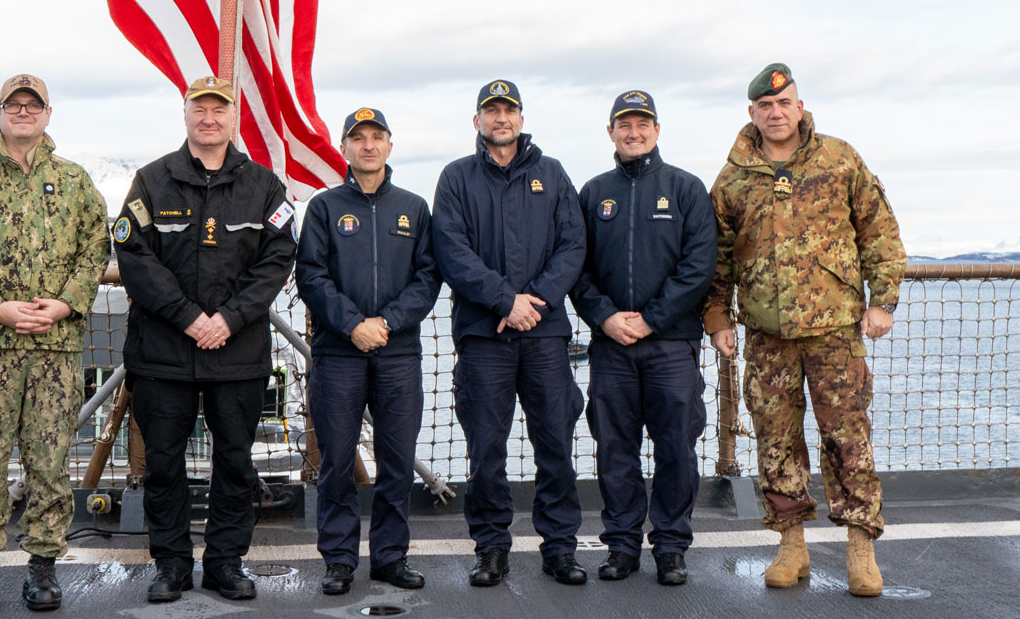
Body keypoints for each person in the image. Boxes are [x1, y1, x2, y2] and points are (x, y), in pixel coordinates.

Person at [703, 63, 907, 598]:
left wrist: (882, 301)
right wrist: (718, 318)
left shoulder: (839, 159)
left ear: (799, 106)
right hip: (767, 335)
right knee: (775, 441)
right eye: (765, 107)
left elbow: (880, 233)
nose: (776, 113)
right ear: (752, 114)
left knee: (848, 438)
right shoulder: (733, 177)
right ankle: (791, 546)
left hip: (835, 330)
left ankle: (860, 547)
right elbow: (716, 259)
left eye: (784, 103)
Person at [114, 76, 299, 604]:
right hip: (163, 354)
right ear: (187, 114)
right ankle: (171, 565)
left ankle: (224, 563)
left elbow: (278, 257)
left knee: (236, 463)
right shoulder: (150, 182)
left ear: (232, 117)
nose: (209, 118)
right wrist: (190, 317)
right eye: (201, 108)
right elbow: (135, 257)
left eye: (219, 109)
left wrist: (230, 318)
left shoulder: (265, 187)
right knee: (165, 464)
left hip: (236, 353)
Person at [0, 73, 110, 616]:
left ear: (48, 114)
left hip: (53, 347)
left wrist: (63, 304)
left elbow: (94, 250)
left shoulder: (76, 182)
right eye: (15, 104)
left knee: (49, 462)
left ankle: (42, 568)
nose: (24, 112)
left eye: (34, 105)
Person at [431, 79, 589, 588]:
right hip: (482, 335)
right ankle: (492, 549)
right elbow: (451, 251)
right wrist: (505, 301)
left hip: (544, 336)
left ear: (521, 117)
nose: (501, 118)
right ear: (476, 120)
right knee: (486, 452)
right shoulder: (456, 178)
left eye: (509, 110)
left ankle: (560, 548)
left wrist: (532, 304)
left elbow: (573, 246)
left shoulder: (552, 173)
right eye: (491, 111)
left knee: (555, 447)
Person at [571, 90, 716, 586]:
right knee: (614, 448)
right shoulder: (593, 193)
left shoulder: (686, 189)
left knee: (677, 447)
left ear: (657, 130)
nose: (634, 133)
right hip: (611, 346)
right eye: (624, 124)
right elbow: (576, 266)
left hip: (671, 344)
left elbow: (699, 267)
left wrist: (652, 319)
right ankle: (623, 546)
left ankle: (671, 547)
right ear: (610, 131)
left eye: (643, 124)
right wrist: (606, 317)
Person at [295, 107, 441, 596]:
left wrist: (389, 323)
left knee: (396, 461)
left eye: (377, 137)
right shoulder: (324, 207)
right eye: (358, 138)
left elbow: (428, 277)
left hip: (399, 355)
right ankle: (338, 560)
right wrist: (354, 325)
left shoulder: (414, 208)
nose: (368, 145)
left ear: (390, 146)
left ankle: (390, 557)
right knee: (336, 461)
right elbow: (311, 276)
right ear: (345, 148)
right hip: (338, 355)